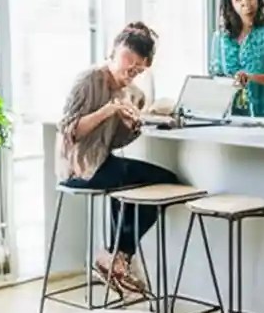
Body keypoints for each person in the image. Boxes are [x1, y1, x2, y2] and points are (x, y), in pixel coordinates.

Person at [57, 22, 179, 294]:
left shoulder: (133, 94)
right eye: (129, 61)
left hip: (103, 163)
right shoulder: (88, 80)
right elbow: (69, 131)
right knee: (148, 182)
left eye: (139, 68)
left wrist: (133, 126)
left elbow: (115, 142)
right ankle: (116, 255)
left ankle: (115, 255)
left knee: (162, 183)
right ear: (114, 51)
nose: (131, 71)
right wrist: (109, 110)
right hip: (79, 169)